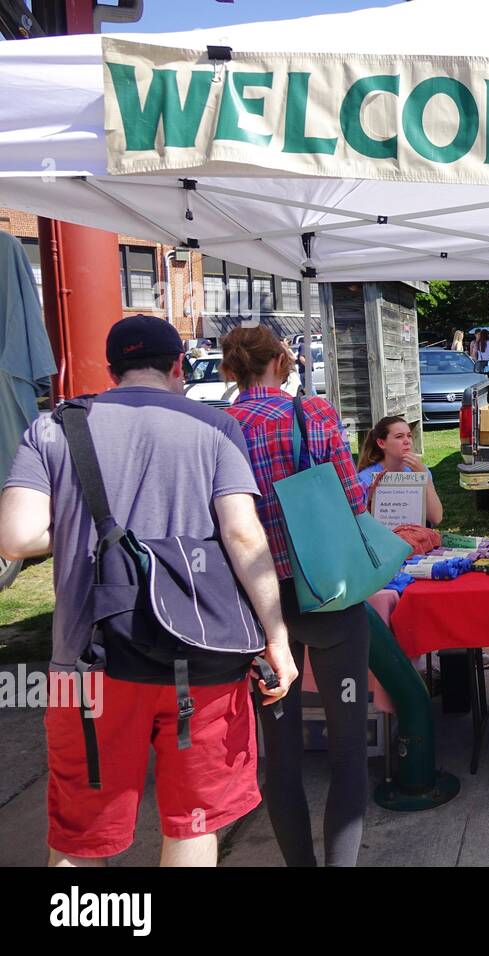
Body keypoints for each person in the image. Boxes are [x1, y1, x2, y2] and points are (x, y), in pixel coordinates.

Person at [0, 314, 295, 867]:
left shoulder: (53, 428)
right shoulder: (215, 427)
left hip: (82, 665)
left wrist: (80, 526)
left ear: (111, 370)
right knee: (193, 822)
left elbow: (14, 539)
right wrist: (275, 637)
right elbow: (241, 534)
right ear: (177, 366)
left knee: (78, 833)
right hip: (200, 659)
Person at [220, 324, 371, 867]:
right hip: (327, 590)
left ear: (233, 367)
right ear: (282, 360)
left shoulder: (219, 424)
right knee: (348, 750)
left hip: (256, 605)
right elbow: (353, 501)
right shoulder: (314, 414)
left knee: (280, 758)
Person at [356, 416, 444, 527]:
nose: (407, 441)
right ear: (381, 443)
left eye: (409, 436)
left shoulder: (420, 470)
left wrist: (425, 477)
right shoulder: (365, 478)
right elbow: (361, 523)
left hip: (415, 539)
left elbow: (436, 518)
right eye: (399, 437)